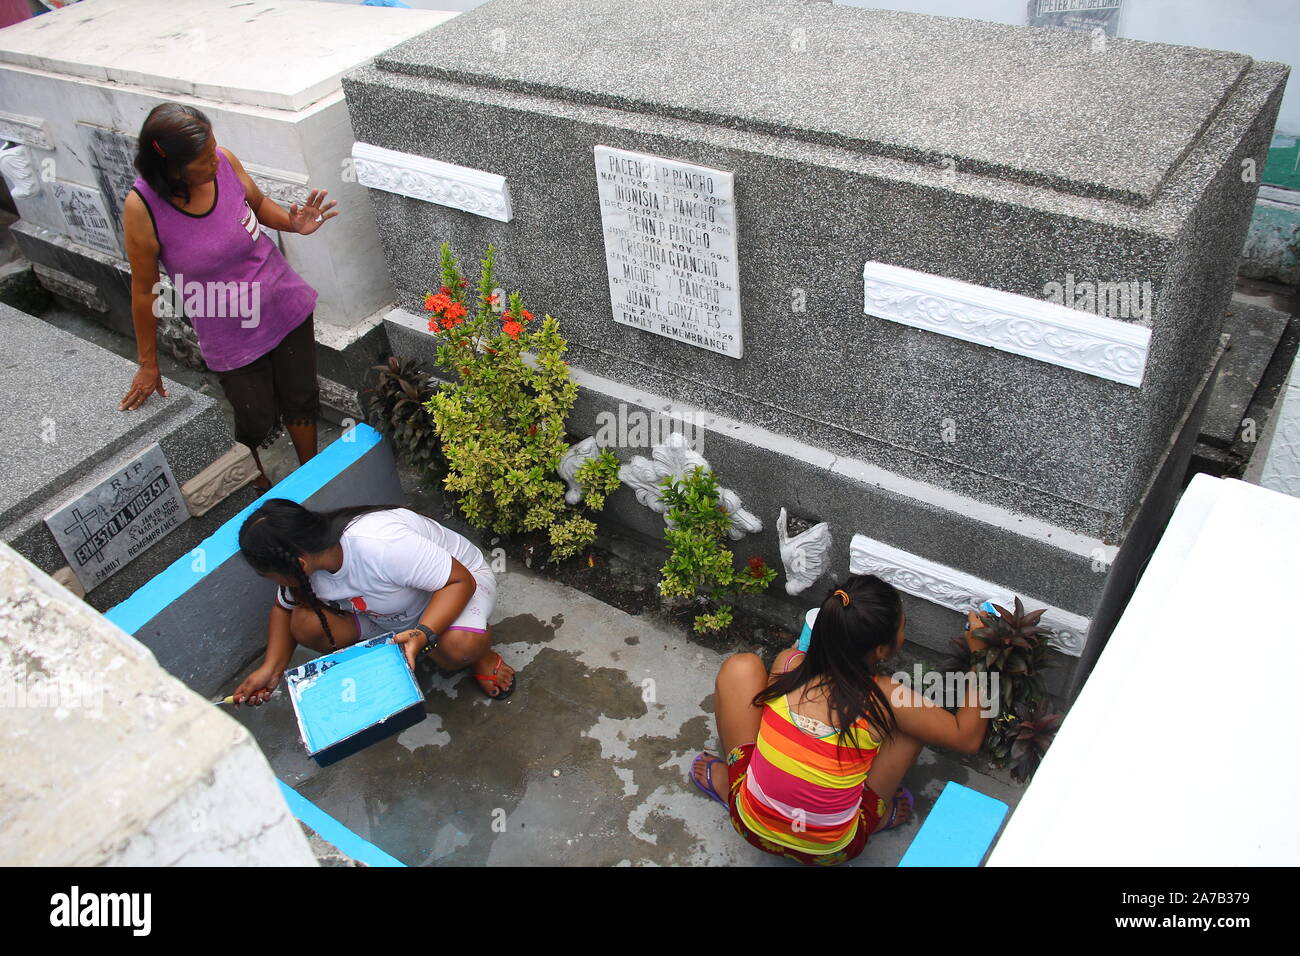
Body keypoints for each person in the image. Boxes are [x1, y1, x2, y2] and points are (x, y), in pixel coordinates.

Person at [688, 574, 991, 866]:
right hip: (834, 851)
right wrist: (982, 657)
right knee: (915, 724)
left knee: (741, 667)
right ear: (883, 650)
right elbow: (967, 737)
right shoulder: (886, 696)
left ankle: (737, 784)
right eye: (903, 627)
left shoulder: (789, 664)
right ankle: (876, 815)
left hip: (749, 825)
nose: (904, 632)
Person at [119, 102, 338, 491]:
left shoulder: (223, 160)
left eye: (214, 149)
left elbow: (257, 204)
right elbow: (143, 289)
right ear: (171, 167)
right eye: (203, 160)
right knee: (253, 417)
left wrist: (293, 223)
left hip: (283, 304)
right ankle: (257, 488)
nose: (214, 162)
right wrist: (148, 363)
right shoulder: (142, 208)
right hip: (229, 333)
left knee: (301, 397)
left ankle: (312, 475)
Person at [232, 499, 515, 706]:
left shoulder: (381, 544)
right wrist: (271, 668)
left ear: (299, 563)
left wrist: (424, 633)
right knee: (306, 624)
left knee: (458, 648)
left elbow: (460, 581)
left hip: (455, 588)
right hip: (386, 613)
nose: (273, 584)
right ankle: (413, 648)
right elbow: (283, 608)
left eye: (268, 576)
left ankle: (479, 654)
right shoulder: (309, 567)